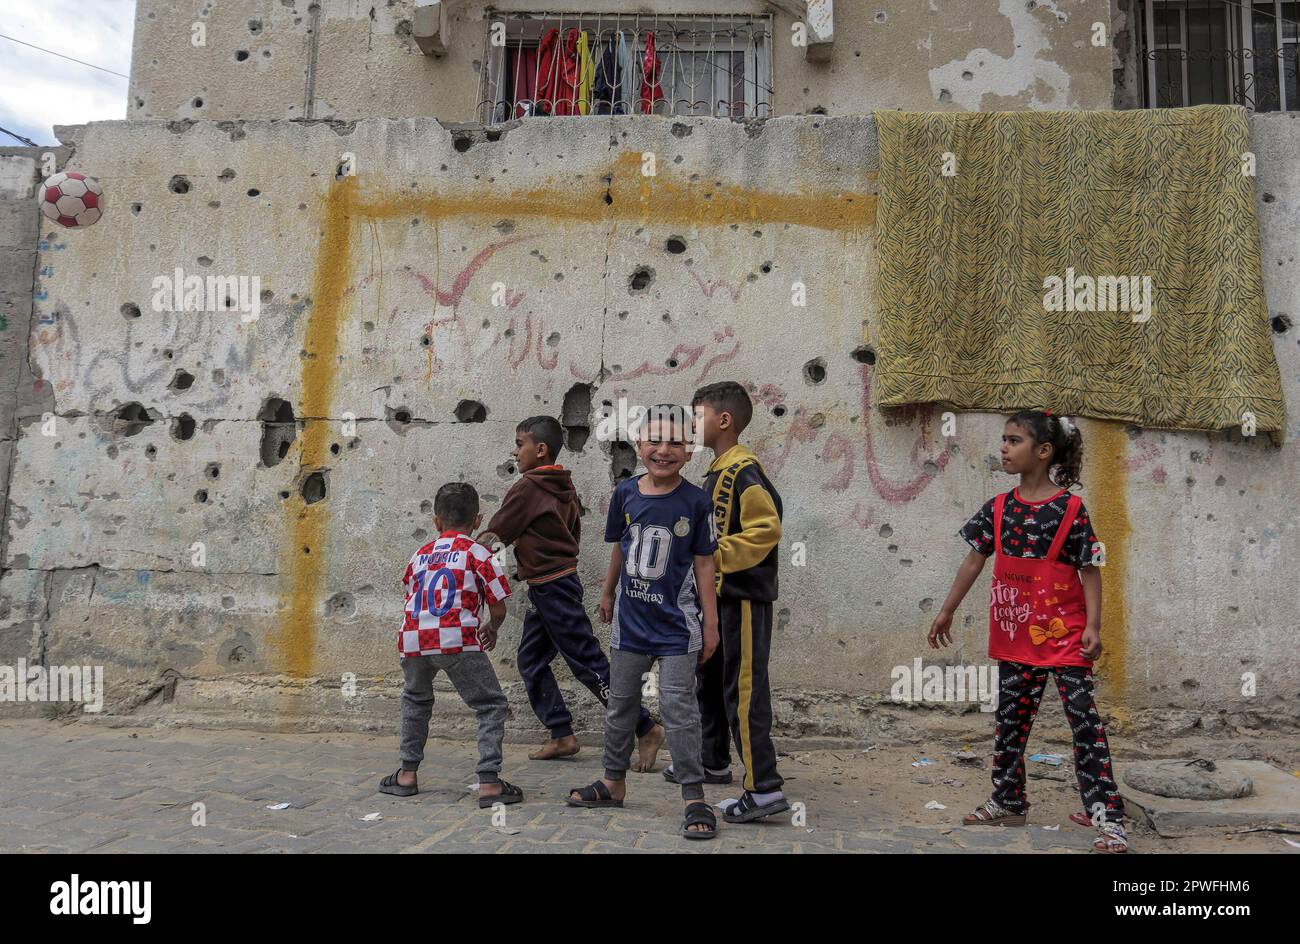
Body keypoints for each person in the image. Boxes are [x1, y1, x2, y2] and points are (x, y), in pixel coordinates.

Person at [928, 410, 1128, 853]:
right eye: (1004, 439)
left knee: (1085, 725)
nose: (1004, 447)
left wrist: (1093, 626)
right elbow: (973, 560)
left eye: (1014, 440)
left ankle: (1107, 816)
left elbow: (1090, 568)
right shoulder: (999, 508)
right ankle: (1008, 800)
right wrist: (946, 610)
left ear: (1043, 451)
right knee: (1010, 722)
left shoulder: (1072, 510)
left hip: (1067, 636)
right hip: (1016, 636)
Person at [565, 405, 721, 839]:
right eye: (655, 440)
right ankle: (613, 782)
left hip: (676, 628)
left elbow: (705, 565)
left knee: (680, 710)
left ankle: (694, 796)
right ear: (639, 446)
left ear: (689, 452)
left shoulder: (696, 501)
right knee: (620, 705)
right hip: (630, 626)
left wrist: (710, 624)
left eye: (675, 443)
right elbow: (619, 547)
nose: (664, 450)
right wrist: (607, 591)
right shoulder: (625, 495)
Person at [478, 415, 664, 766]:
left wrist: (466, 552)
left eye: (520, 445)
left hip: (553, 589)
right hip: (551, 585)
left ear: (540, 449)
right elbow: (568, 535)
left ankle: (644, 727)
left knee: (587, 662)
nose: (516, 453)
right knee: (531, 660)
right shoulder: (564, 486)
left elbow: (496, 534)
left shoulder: (528, 487)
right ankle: (562, 734)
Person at [379, 482, 524, 808]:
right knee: (490, 705)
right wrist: (492, 627)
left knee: (415, 700)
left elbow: (411, 594)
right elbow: (499, 606)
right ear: (477, 521)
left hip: (414, 640)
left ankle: (406, 774)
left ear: (436, 522)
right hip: (457, 640)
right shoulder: (479, 553)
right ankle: (489, 782)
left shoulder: (419, 555)